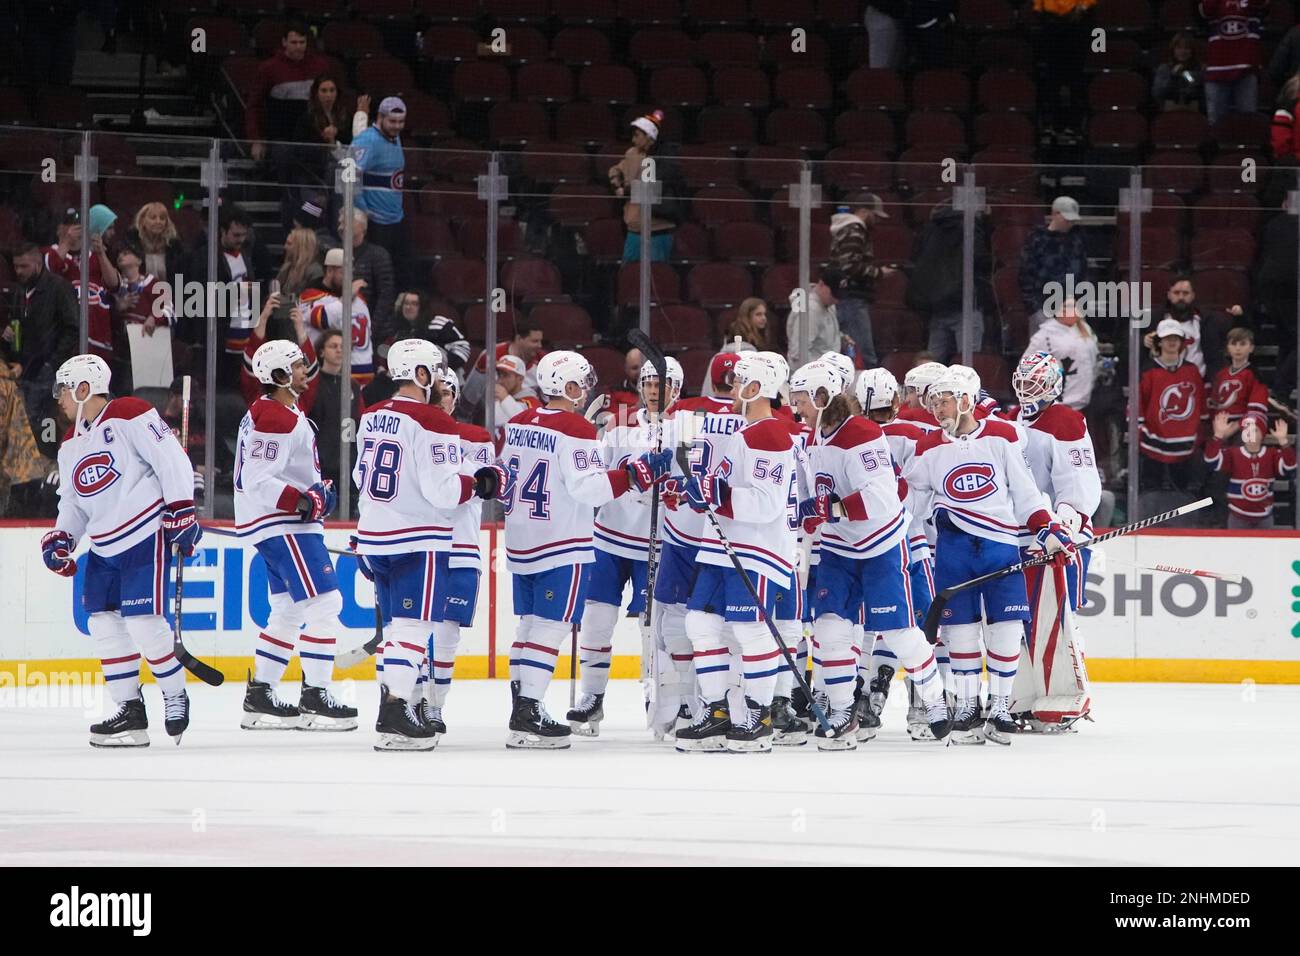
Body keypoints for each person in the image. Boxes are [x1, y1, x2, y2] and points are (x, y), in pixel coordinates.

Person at [501, 350, 671, 749]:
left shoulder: (518, 422)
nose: (587, 389)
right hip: (561, 540)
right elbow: (589, 487)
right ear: (569, 386)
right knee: (550, 627)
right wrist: (636, 474)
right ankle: (529, 708)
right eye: (582, 381)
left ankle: (521, 704)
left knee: (528, 625)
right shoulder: (576, 428)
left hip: (520, 539)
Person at [42, 354, 199, 747]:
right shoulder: (70, 443)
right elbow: (73, 502)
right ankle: (129, 711)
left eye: (63, 388)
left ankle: (174, 693)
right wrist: (63, 537)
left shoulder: (130, 412)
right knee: (103, 623)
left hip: (144, 534)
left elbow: (171, 458)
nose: (58, 398)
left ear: (82, 389)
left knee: (145, 622)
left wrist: (181, 507)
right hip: (103, 544)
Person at [903, 364, 1065, 745]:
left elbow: (1026, 495)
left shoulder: (1002, 437)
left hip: (1000, 547)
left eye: (943, 402)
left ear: (964, 400)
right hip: (954, 549)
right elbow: (911, 501)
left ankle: (1000, 705)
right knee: (959, 632)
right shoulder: (929, 448)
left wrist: (1049, 530)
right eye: (934, 404)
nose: (937, 411)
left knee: (1006, 630)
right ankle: (965, 707)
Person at [792, 361, 950, 748]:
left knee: (897, 632)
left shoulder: (861, 433)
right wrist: (808, 516)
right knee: (829, 627)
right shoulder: (815, 436)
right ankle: (844, 712)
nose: (797, 409)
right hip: (838, 548)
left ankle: (934, 699)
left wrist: (830, 510)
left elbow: (881, 497)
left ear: (822, 397)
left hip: (879, 545)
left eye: (801, 400)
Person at [352, 339, 499, 750]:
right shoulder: (433, 420)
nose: (437, 378)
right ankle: (395, 712)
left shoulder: (372, 415)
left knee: (399, 629)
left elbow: (359, 480)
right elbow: (444, 491)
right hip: (418, 538)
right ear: (420, 374)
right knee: (413, 628)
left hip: (376, 536)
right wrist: (481, 483)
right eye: (433, 370)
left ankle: (393, 710)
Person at [670, 353, 797, 754]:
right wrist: (701, 492)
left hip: (755, 550)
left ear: (757, 387)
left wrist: (714, 493)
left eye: (740, 379)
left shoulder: (770, 435)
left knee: (750, 631)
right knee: (700, 623)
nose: (731, 385)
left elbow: (766, 503)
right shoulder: (747, 432)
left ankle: (757, 719)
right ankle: (718, 713)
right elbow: (722, 488)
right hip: (720, 545)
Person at [234, 338, 358, 732]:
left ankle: (261, 697)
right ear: (279, 375)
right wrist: (303, 502)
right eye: (299, 365)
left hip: (277, 525)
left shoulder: (283, 411)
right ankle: (316, 696)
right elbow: (258, 479)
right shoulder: (274, 416)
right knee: (326, 603)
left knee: (288, 610)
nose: (307, 369)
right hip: (285, 526)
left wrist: (316, 491)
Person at [568, 356, 684, 735]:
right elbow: (595, 477)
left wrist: (668, 487)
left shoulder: (687, 433)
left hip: (658, 544)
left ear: (675, 390)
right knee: (597, 620)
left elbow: (690, 488)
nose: (653, 391)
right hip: (610, 537)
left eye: (661, 385)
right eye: (648, 384)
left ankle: (658, 697)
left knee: (654, 628)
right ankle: (592, 698)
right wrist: (633, 479)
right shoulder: (618, 430)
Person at [650, 352, 744, 740]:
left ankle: (688, 701)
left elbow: (671, 468)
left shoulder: (686, 411)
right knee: (727, 625)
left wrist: (668, 483)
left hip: (681, 532)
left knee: (676, 621)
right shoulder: (750, 419)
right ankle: (737, 704)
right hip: (725, 532)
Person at [853, 366, 950, 741]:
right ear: (894, 399)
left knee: (861, 626)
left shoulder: (850, 437)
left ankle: (862, 699)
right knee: (919, 624)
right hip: (912, 541)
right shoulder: (918, 433)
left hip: (861, 544)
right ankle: (923, 705)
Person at [414, 369, 494, 738]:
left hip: (460, 547)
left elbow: (476, 485)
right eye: (436, 392)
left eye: (447, 393)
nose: (441, 399)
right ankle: (411, 700)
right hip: (418, 542)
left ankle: (434, 705)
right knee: (413, 630)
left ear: (456, 397)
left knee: (446, 635)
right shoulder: (411, 431)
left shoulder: (476, 437)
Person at [185, 204, 272, 387]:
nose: (241, 240)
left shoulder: (246, 256)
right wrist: (234, 291)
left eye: (243, 235)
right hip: (219, 337)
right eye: (236, 235)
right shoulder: (205, 257)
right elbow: (198, 296)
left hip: (245, 332)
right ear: (223, 231)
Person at [6, 242, 80, 454]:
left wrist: (52, 363)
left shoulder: (59, 287)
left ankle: (41, 475)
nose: (18, 271)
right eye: (16, 266)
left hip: (48, 370)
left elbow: (73, 328)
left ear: (38, 264)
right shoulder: (19, 291)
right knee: (20, 424)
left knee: (37, 424)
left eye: (24, 266)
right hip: (22, 368)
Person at [246, 21, 332, 164]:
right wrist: (256, 140)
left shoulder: (320, 66)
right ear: (284, 42)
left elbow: (329, 102)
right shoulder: (269, 69)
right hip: (281, 136)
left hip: (313, 136)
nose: (298, 47)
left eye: (302, 42)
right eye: (294, 42)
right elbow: (254, 106)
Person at [42, 205, 120, 363]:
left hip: (97, 337)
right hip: (63, 340)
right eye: (69, 225)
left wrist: (100, 253)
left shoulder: (96, 255)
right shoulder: (49, 252)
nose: (75, 230)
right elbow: (48, 275)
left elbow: (114, 284)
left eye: (79, 225)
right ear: (59, 229)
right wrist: (66, 242)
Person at [1138, 318, 1207, 493]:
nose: (1172, 342)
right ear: (1159, 342)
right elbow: (1138, 404)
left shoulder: (1191, 370)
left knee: (1181, 493)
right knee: (1152, 491)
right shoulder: (1148, 371)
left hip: (1185, 444)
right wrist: (1142, 431)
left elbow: (1200, 404)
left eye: (1176, 338)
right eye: (1167, 338)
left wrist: (1199, 433)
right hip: (1153, 442)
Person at [352, 96, 409, 287]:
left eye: (401, 122)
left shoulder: (395, 137)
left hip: (396, 218)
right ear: (380, 117)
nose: (397, 126)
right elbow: (351, 177)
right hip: (376, 223)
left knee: (402, 274)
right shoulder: (368, 140)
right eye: (392, 121)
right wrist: (364, 210)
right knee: (378, 279)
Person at [608, 109, 679, 263]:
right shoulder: (632, 154)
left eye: (637, 135)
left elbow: (652, 186)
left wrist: (626, 190)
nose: (633, 140)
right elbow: (615, 170)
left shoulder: (666, 157)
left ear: (649, 137)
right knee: (629, 273)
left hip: (658, 228)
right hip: (635, 227)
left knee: (658, 274)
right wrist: (617, 185)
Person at [829, 193, 891, 368]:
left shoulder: (846, 229)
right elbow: (849, 265)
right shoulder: (855, 229)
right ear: (864, 212)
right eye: (874, 215)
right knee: (865, 354)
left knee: (851, 352)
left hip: (848, 296)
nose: (876, 220)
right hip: (852, 297)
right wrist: (879, 273)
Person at [1205, 411, 1296, 528]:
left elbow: (1290, 467)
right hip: (1237, 516)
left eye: (1254, 430)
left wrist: (1284, 442)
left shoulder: (1272, 454)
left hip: (1264, 517)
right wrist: (1218, 436)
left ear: (1262, 434)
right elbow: (1211, 461)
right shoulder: (1232, 453)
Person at [318, 209, 395, 342]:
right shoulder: (334, 254)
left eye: (346, 222)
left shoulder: (378, 255)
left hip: (370, 331)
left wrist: (370, 330)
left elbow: (386, 296)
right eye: (340, 223)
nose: (341, 227)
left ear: (362, 226)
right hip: (338, 327)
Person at [302, 247, 374, 385]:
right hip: (328, 374)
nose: (349, 278)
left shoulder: (358, 298)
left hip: (364, 374)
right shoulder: (311, 296)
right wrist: (348, 296)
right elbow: (321, 320)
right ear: (329, 271)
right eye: (343, 273)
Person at [1018, 196, 1088, 329]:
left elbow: (1082, 274)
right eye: (1067, 219)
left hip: (1070, 306)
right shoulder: (1037, 239)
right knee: (1043, 347)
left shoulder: (1076, 241)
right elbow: (1026, 275)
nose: (1070, 223)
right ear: (1055, 214)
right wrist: (1034, 309)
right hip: (1042, 305)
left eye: (1072, 220)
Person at [1142, 276, 1232, 379]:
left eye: (1185, 293)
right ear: (1169, 295)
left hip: (1200, 383)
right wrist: (1143, 340)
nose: (1181, 297)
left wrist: (1240, 317)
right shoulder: (1153, 319)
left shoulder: (1209, 320)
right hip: (1161, 382)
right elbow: (1127, 341)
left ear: (1193, 295)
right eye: (1176, 293)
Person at [308, 328, 361, 501]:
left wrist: (353, 455)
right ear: (322, 351)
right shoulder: (313, 383)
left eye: (343, 346)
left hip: (347, 464)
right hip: (321, 463)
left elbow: (353, 422)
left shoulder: (352, 385)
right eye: (333, 346)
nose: (339, 350)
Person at [1023, 296, 1100, 411]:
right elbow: (1026, 366)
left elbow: (1094, 359)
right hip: (1062, 402)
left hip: (1088, 398)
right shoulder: (1045, 334)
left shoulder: (1085, 329)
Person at [1032, 1, 1094, 140]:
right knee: (1052, 81)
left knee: (1076, 82)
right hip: (1051, 24)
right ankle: (1053, 125)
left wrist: (1082, 8)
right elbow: (1038, 7)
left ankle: (1074, 126)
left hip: (1077, 25)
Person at [1200, 0, 1266, 127]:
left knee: (1247, 123)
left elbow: (1261, 5)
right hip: (1217, 70)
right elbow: (1205, 11)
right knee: (1216, 125)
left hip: (1245, 68)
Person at [462, 317, 546, 412]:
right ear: (518, 338)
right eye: (534, 341)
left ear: (520, 378)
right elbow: (470, 395)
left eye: (540, 341)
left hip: (527, 411)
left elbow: (548, 401)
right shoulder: (491, 355)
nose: (540, 346)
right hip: (490, 413)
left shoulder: (543, 361)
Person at [390, 291, 471, 377]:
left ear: (423, 307)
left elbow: (463, 348)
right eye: (406, 303)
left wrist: (437, 367)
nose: (409, 307)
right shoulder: (400, 331)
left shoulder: (439, 324)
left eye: (414, 304)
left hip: (444, 381)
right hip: (413, 383)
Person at [1208, 327, 1270, 425]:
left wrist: (1235, 426)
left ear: (1251, 348)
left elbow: (1256, 409)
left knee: (1251, 433)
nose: (1238, 348)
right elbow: (1214, 405)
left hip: (1246, 422)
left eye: (1243, 344)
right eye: (1233, 344)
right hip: (1222, 423)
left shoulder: (1254, 374)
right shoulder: (1221, 374)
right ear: (1227, 348)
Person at [786, 270, 841, 369]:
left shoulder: (829, 305)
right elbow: (798, 352)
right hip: (813, 375)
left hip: (829, 371)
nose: (836, 300)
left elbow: (823, 337)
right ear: (821, 284)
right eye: (833, 294)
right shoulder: (809, 310)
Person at [126, 201, 187, 285]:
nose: (158, 221)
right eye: (153, 218)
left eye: (162, 218)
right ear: (142, 220)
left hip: (168, 295)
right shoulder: (132, 245)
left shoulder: (174, 247)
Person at [491, 353, 542, 451]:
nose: (500, 380)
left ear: (520, 379)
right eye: (499, 375)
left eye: (506, 375)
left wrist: (505, 398)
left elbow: (532, 428)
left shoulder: (532, 401)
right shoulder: (497, 398)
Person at [1153, 31, 1206, 112]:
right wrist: (1172, 77)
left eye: (1186, 48)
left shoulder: (1200, 69)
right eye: (1179, 48)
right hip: (1170, 109)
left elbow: (1203, 93)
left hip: (1194, 109)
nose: (1182, 52)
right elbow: (1158, 93)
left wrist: (1188, 77)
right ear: (1173, 50)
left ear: (1192, 51)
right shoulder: (1164, 68)